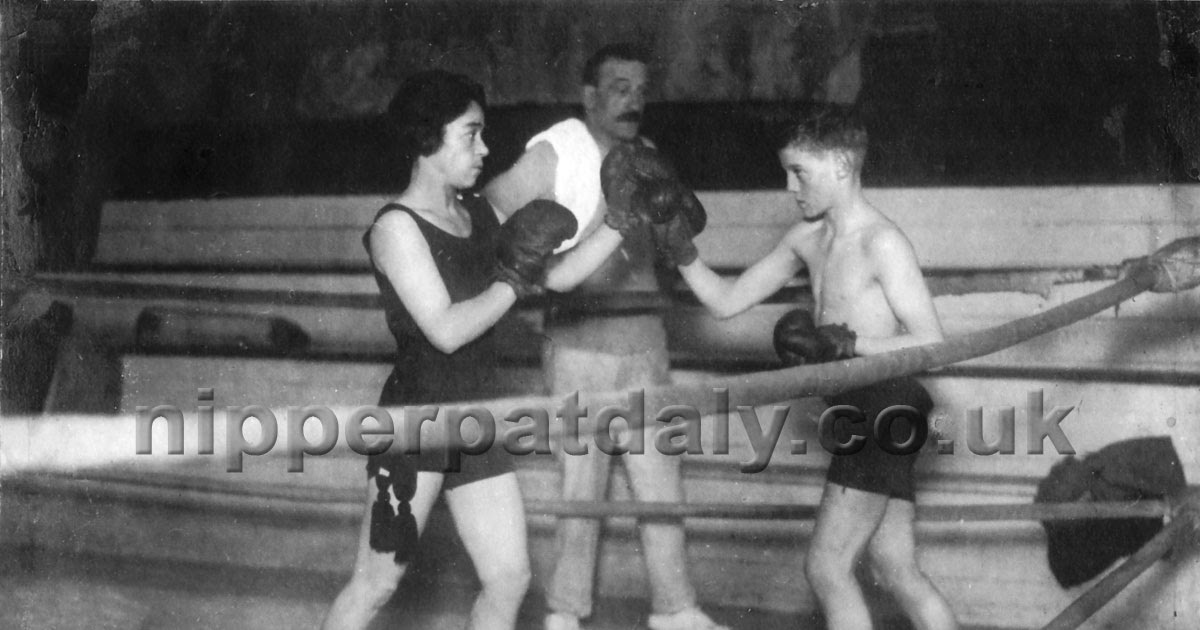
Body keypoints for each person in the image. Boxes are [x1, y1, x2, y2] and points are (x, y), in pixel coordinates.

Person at [658, 103, 959, 630]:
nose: (790, 186)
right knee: (895, 567)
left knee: (826, 569)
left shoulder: (881, 242)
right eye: (786, 172)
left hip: (884, 407)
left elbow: (932, 343)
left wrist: (850, 342)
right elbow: (726, 302)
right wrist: (680, 249)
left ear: (842, 164)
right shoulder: (807, 238)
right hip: (856, 411)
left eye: (800, 171)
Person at [323, 70, 580, 630]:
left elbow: (560, 275)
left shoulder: (480, 215)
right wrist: (513, 281)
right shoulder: (396, 227)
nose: (484, 148)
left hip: (476, 416)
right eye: (470, 134)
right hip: (415, 422)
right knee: (376, 584)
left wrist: (626, 224)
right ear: (427, 139)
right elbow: (445, 329)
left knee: (509, 577)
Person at [483, 44, 728, 630]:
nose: (633, 101)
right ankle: (565, 613)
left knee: (661, 487)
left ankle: (675, 608)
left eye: (641, 90)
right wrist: (531, 280)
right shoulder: (557, 149)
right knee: (580, 488)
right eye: (619, 87)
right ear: (589, 95)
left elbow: (674, 246)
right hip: (578, 348)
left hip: (646, 342)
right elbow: (493, 206)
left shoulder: (647, 156)